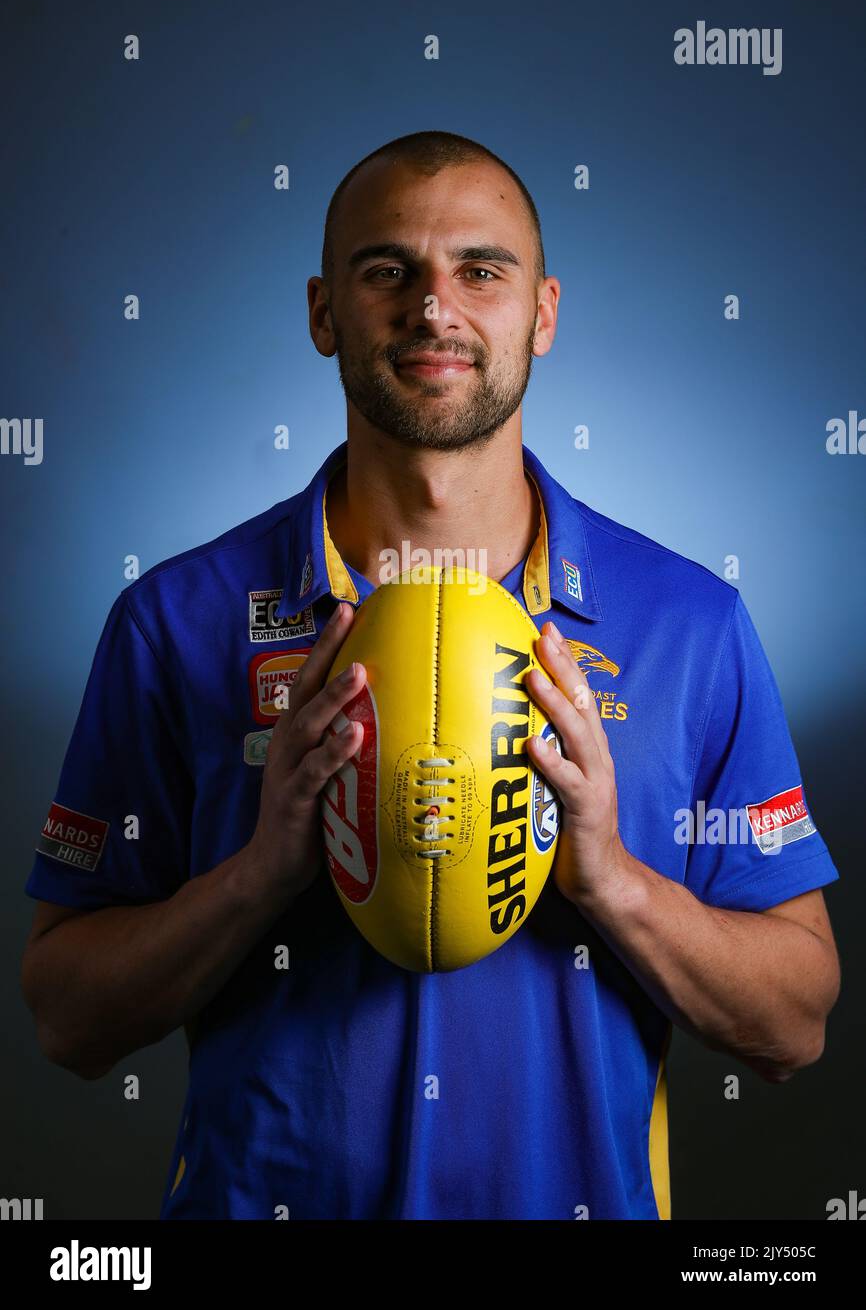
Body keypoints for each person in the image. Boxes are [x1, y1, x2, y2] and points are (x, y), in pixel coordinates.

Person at [21, 131, 841, 1221]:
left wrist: (611, 882)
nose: (433, 308)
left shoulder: (688, 623)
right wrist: (256, 874)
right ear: (323, 312)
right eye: (386, 271)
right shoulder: (177, 621)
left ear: (541, 311)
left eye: (479, 270)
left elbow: (792, 1026)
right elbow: (66, 1020)